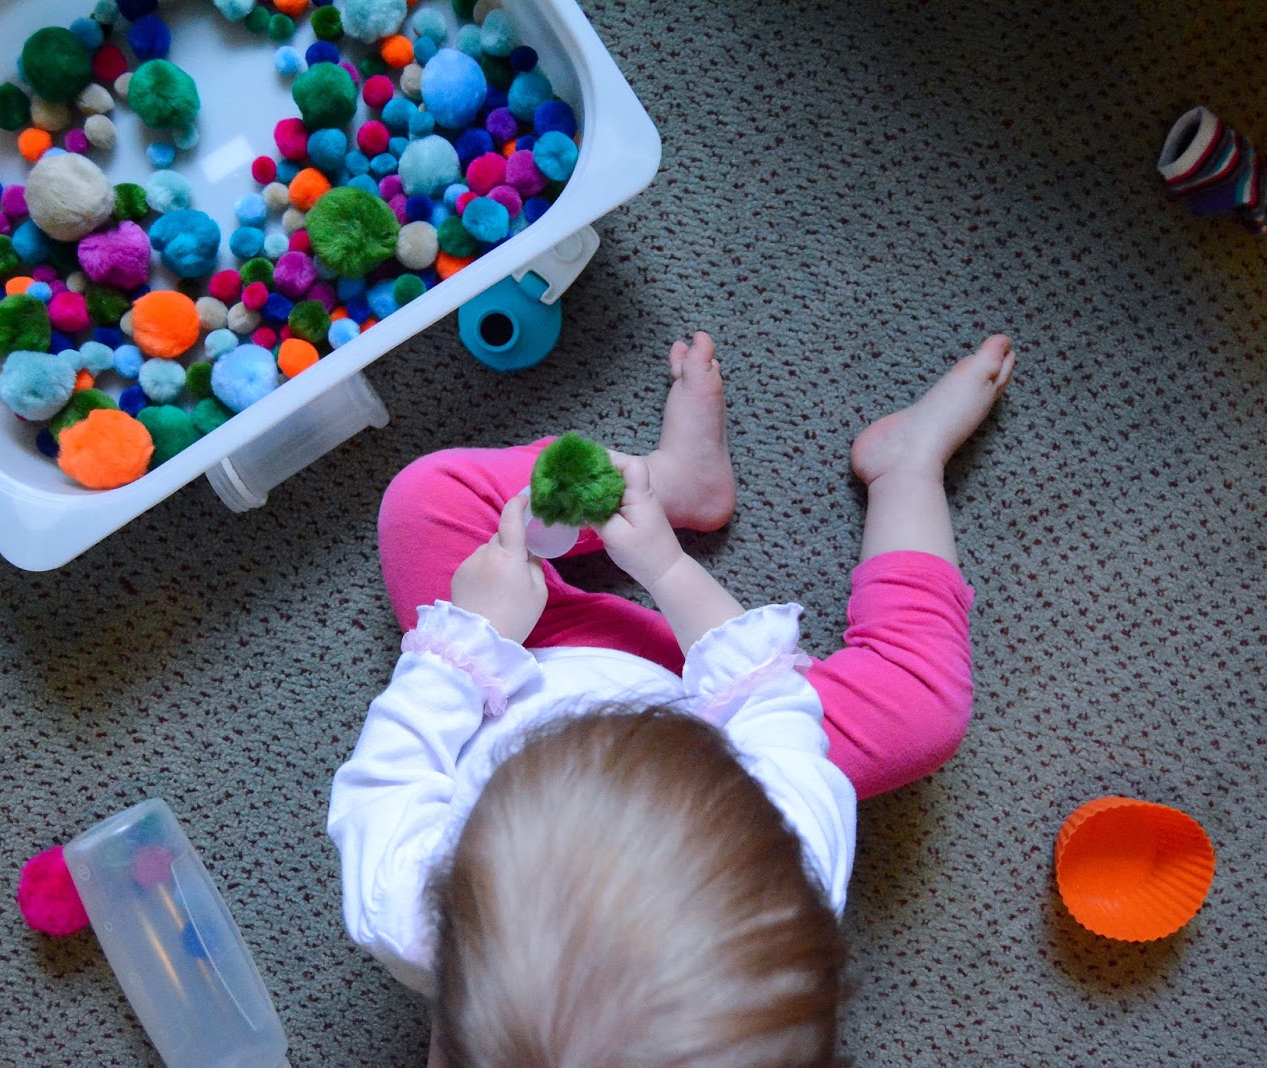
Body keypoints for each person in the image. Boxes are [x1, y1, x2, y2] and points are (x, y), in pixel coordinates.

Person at [328, 332, 1016, 1066]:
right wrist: (664, 565)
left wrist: (467, 645)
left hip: (523, 662)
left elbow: (393, 771)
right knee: (921, 704)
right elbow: (771, 706)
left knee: (427, 501)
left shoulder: (402, 908)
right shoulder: (790, 875)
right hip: (723, 700)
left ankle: (670, 480)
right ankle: (905, 469)